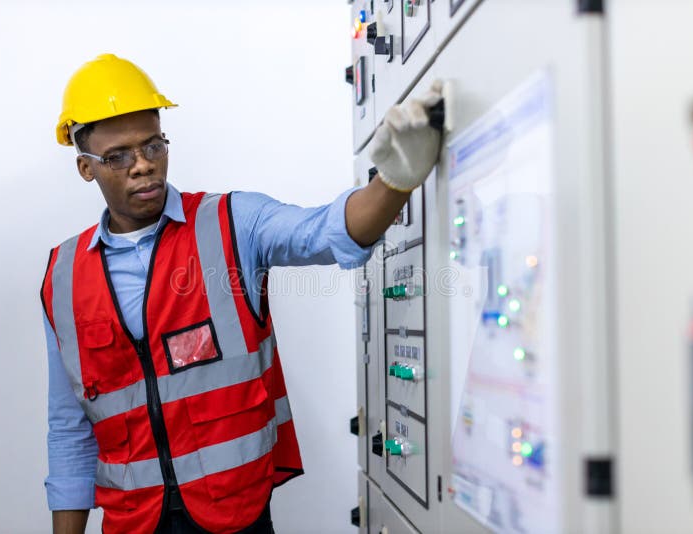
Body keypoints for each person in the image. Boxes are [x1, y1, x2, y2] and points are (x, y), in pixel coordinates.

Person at [41, 53, 442, 534]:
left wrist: (395, 181)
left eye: (153, 146)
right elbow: (70, 427)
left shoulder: (233, 223)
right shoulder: (62, 275)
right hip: (132, 522)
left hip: (234, 518)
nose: (143, 166)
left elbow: (328, 230)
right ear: (86, 168)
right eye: (118, 156)